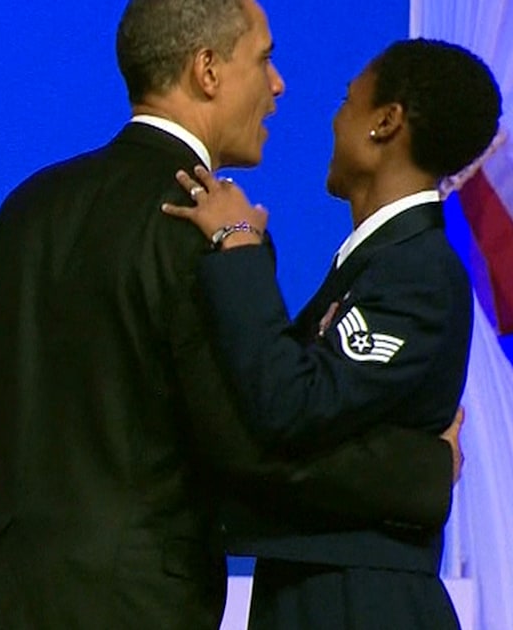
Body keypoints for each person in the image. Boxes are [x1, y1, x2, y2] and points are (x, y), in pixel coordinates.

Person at [0, 1, 462, 628]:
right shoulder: (212, 232)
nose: (277, 84)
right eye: (264, 58)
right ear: (208, 72)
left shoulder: (28, 206)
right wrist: (422, 472)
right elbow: (247, 447)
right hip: (137, 602)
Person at [162, 38, 502, 629]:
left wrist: (237, 247)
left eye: (348, 100)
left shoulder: (417, 272)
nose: (334, 115)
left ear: (386, 122)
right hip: (322, 589)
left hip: (361, 603)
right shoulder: (380, 264)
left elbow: (291, 405)